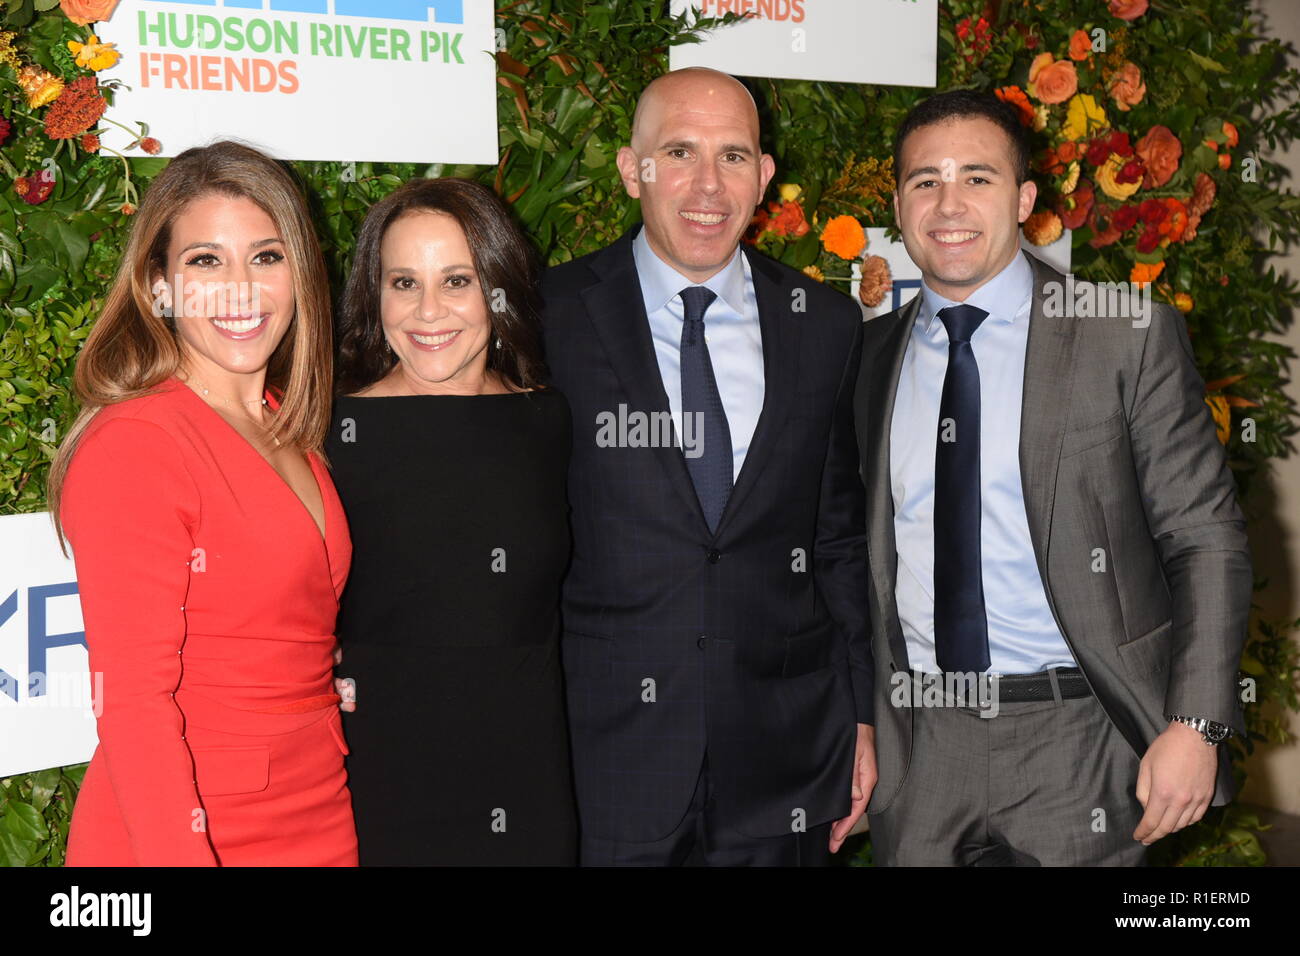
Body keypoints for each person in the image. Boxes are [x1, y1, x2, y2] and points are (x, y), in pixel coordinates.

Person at [855, 89, 1252, 865]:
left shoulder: (1123, 335)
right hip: (922, 744)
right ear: (899, 205)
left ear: (1026, 198)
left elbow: (1205, 538)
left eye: (978, 177)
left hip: (1083, 738)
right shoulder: (870, 358)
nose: (949, 203)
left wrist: (1196, 725)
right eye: (924, 181)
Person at [540, 67, 874, 866]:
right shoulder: (548, 317)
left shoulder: (823, 323)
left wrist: (863, 718)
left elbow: (836, 540)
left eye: (733, 156)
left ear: (763, 177)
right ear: (633, 169)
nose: (707, 184)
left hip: (784, 766)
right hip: (605, 766)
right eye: (679, 151)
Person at [50, 139, 356, 866]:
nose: (241, 290)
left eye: (267, 256)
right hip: (189, 828)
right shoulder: (140, 444)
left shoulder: (286, 422)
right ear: (160, 285)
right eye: (206, 261)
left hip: (319, 807)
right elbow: (134, 708)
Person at [326, 177, 578, 865]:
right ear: (374, 296)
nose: (428, 310)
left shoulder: (546, 420)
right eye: (403, 282)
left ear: (498, 287)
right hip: (376, 783)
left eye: (457, 280)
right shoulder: (329, 432)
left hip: (527, 782)